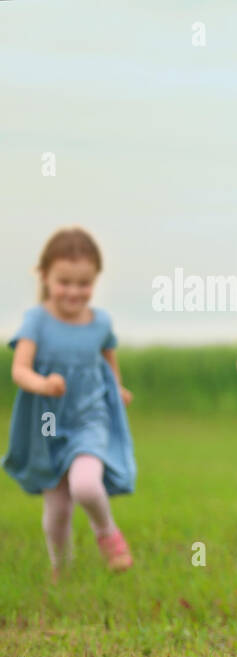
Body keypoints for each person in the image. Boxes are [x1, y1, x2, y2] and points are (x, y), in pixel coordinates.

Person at [5, 227, 136, 578]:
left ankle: (107, 534)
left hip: (89, 418)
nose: (74, 292)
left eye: (84, 284)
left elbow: (108, 364)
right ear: (45, 276)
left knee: (85, 484)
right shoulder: (37, 321)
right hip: (47, 422)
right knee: (58, 508)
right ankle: (60, 569)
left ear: (95, 280)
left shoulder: (100, 323)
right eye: (65, 282)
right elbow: (20, 370)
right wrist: (43, 384)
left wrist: (118, 391)